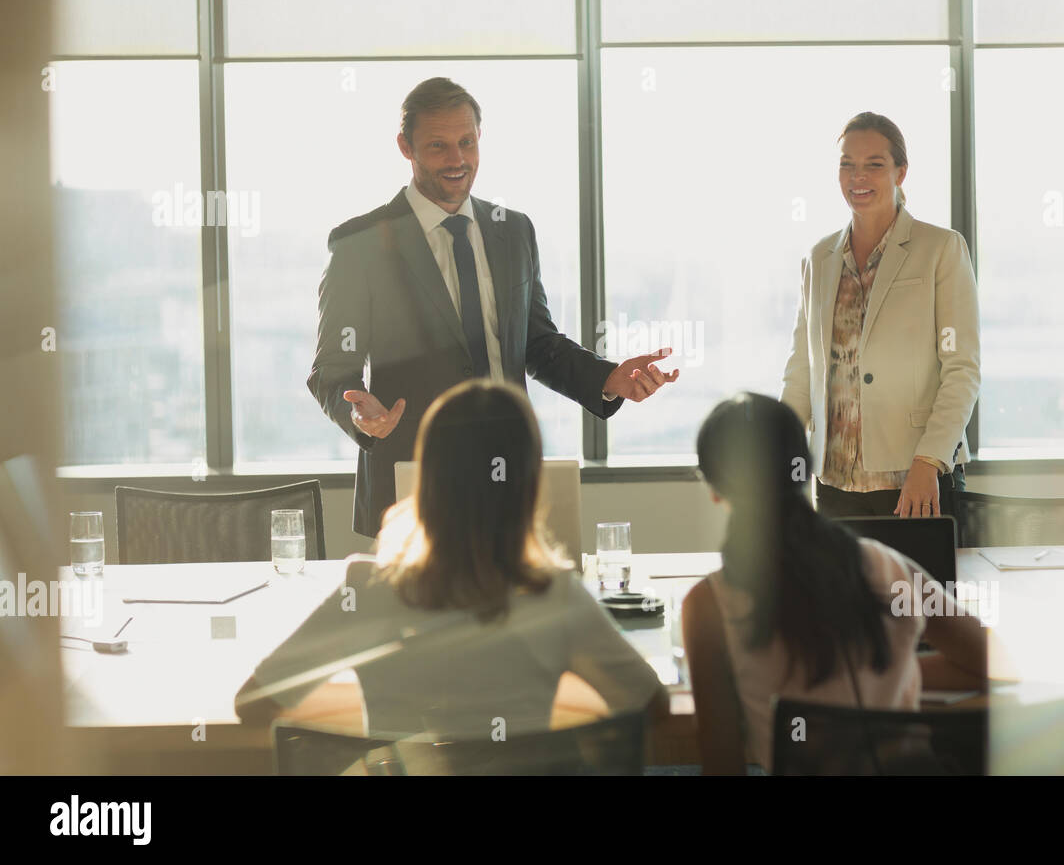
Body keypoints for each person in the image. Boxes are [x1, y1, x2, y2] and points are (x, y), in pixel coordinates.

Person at [309, 77, 679, 537]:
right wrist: (358, 414)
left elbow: (538, 344)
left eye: (466, 142)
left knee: (524, 608)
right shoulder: (360, 243)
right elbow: (330, 369)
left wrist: (608, 378)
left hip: (508, 477)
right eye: (438, 146)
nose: (457, 160)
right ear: (405, 147)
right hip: (411, 483)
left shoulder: (514, 231)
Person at [236, 381, 666, 743]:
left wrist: (350, 722)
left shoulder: (366, 589)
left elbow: (253, 703)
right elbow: (654, 706)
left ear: (429, 479)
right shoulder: (557, 595)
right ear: (528, 483)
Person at [682, 393, 987, 774]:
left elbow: (722, 766)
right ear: (804, 468)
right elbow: (987, 660)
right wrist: (889, 669)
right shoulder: (889, 568)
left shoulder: (709, 606)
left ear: (714, 489)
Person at [781, 112, 979, 519]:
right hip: (834, 483)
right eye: (847, 164)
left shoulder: (940, 248)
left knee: (920, 586)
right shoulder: (819, 258)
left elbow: (962, 370)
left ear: (900, 172)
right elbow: (802, 370)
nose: (859, 177)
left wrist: (929, 462)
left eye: (874, 164)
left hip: (915, 479)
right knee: (840, 586)